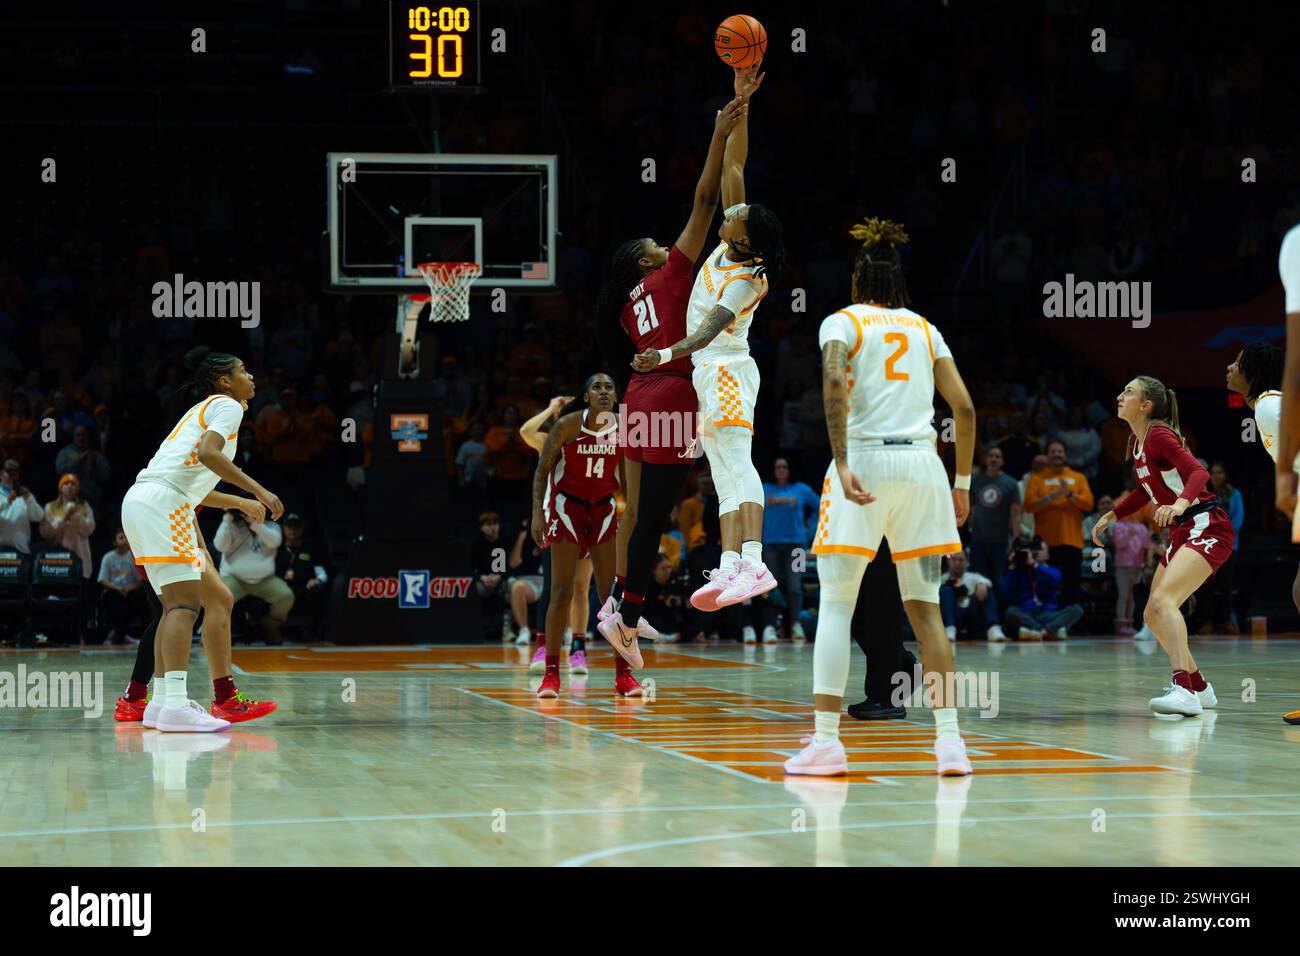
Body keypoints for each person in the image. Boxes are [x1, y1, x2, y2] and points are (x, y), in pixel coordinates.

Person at [784, 217, 976, 778]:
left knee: (838, 606)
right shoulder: (925, 327)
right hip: (922, 464)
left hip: (866, 459)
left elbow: (834, 388)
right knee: (927, 611)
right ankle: (950, 743)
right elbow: (962, 409)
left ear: (857, 280)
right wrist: (961, 484)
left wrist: (841, 463)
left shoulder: (841, 323)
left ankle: (825, 743)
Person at [592, 86, 751, 659]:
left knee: (638, 515)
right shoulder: (669, 272)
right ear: (644, 259)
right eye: (654, 244)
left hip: (639, 396)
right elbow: (706, 199)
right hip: (671, 394)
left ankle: (618, 602)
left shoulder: (628, 301)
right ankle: (627, 618)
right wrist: (717, 134)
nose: (666, 243)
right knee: (652, 518)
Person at [629, 66, 788, 619]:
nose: (732, 211)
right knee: (720, 470)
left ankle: (753, 557)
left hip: (723, 365)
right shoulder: (733, 243)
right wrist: (740, 103)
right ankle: (730, 562)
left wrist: (665, 353)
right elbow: (736, 163)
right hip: (709, 371)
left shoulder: (749, 277)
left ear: (745, 240)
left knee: (738, 463)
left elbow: (707, 330)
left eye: (738, 216)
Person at [119, 346, 283, 731]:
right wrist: (259, 490)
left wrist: (240, 501)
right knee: (182, 608)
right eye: (244, 371)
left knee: (215, 598)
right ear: (226, 381)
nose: (252, 377)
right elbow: (211, 455)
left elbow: (195, 486)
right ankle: (175, 705)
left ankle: (166, 702)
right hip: (165, 506)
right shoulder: (228, 406)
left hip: (143, 502)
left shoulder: (200, 411)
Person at [1090, 375, 1233, 717]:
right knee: (1152, 614)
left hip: (1206, 524)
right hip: (1183, 531)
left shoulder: (1159, 433)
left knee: (1163, 601)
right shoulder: (1138, 442)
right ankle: (1199, 687)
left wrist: (1181, 504)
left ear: (1146, 405)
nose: (1120, 396)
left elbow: (1198, 472)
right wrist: (1113, 514)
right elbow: (1145, 490)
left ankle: (1183, 688)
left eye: (1129, 392)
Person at [530, 373, 639, 698]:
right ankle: (551, 674)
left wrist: (634, 517)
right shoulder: (567, 425)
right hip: (567, 509)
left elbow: (627, 480)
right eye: (597, 387)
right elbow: (542, 470)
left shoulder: (624, 427)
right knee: (561, 591)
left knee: (610, 597)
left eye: (609, 386)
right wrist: (538, 512)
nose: (604, 391)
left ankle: (624, 675)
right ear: (587, 396)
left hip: (604, 510)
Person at [519, 394, 594, 672]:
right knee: (553, 589)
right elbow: (525, 431)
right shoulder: (549, 442)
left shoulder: (593, 441)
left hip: (588, 520)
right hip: (557, 522)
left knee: (580, 591)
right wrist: (550, 407)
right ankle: (542, 649)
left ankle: (578, 650)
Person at [1023, 438, 1094, 608]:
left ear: (1065, 454)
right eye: (1053, 452)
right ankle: (1047, 618)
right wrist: (1051, 497)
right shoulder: (1037, 479)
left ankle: (1069, 624)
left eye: (1060, 451)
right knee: (1045, 584)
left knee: (1072, 586)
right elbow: (1029, 505)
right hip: (1045, 544)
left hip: (1072, 541)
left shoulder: (1078, 478)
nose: (1057, 454)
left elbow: (1088, 504)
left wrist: (1069, 495)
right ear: (1047, 456)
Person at [760, 457, 819, 641]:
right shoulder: (764, 489)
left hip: (797, 544)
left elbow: (821, 507)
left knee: (795, 587)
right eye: (777, 467)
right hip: (770, 544)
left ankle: (796, 625)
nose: (781, 470)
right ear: (773, 470)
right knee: (770, 586)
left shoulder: (801, 489)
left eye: (784, 466)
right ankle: (770, 626)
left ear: (790, 469)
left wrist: (809, 529)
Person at [214, 509, 292, 645]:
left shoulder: (271, 526)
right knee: (217, 598)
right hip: (234, 578)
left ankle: (270, 626)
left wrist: (255, 523)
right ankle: (213, 631)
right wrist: (227, 520)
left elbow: (275, 542)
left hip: (264, 580)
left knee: (285, 596)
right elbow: (220, 546)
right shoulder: (231, 524)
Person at [1000, 535, 1084, 640]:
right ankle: (1047, 631)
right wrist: (1012, 567)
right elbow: (1006, 593)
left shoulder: (1051, 570)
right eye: (1035, 550)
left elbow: (1055, 579)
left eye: (1040, 550)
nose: (1037, 553)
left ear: (1048, 555)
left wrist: (1035, 565)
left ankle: (1037, 631)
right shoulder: (1018, 571)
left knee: (1076, 609)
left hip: (1048, 613)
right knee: (1010, 611)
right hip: (1027, 613)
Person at [968, 446, 1021, 581]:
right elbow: (970, 507)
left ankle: (1001, 602)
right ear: (986, 459)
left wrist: (1015, 539)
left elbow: (1015, 514)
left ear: (1002, 461)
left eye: (997, 456)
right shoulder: (975, 481)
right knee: (977, 578)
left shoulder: (1012, 484)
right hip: (978, 539)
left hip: (1000, 540)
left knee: (999, 579)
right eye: (991, 456)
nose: (994, 459)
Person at [275, 513, 329, 636]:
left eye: (296, 527)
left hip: (303, 588)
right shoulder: (276, 548)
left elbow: (322, 574)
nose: (293, 530)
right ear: (284, 529)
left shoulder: (310, 548)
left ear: (302, 529)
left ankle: (314, 630)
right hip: (280, 588)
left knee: (318, 590)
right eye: (289, 526)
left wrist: (317, 580)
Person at [940, 550, 1004, 642]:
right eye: (954, 559)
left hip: (971, 616)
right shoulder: (942, 579)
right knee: (945, 590)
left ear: (966, 562)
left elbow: (988, 582)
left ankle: (993, 627)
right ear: (948, 561)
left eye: (961, 560)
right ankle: (950, 628)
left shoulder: (973, 577)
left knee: (986, 589)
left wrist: (982, 584)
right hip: (952, 616)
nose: (957, 562)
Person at [39, 474, 95, 578]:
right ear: (60, 487)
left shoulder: (84, 506)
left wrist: (76, 515)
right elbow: (46, 532)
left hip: (80, 555)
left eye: (73, 484)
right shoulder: (50, 507)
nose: (69, 486)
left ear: (77, 489)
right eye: (66, 483)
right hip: (57, 557)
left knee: (80, 589)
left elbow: (89, 529)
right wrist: (64, 518)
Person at [98, 528, 148, 643]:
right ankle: (119, 633)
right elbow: (102, 580)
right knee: (110, 598)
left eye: (126, 537)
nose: (125, 540)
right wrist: (119, 589)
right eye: (121, 538)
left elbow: (140, 580)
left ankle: (135, 634)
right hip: (114, 591)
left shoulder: (133, 556)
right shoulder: (108, 557)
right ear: (114, 542)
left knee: (141, 597)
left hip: (131, 591)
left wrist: (127, 589)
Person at [1110, 509, 1153, 636]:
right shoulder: (1119, 526)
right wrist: (1128, 534)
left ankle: (1130, 624)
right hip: (1123, 566)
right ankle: (1121, 624)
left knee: (1133, 596)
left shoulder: (1141, 528)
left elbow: (1147, 545)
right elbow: (1118, 544)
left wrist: (1149, 536)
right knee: (1123, 595)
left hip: (1137, 566)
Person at [54, 425, 110, 514]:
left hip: (91, 502)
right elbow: (59, 469)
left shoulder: (96, 455)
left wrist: (95, 464)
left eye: (84, 435)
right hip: (70, 501)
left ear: (88, 437)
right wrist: (79, 461)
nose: (81, 438)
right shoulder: (65, 453)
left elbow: (106, 476)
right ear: (73, 438)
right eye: (78, 435)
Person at [0, 458, 43, 553]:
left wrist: (29, 499)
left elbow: (39, 517)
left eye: (15, 474)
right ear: (1, 474)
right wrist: (7, 501)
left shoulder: (24, 495)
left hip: (21, 551)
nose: (12, 477)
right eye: (9, 473)